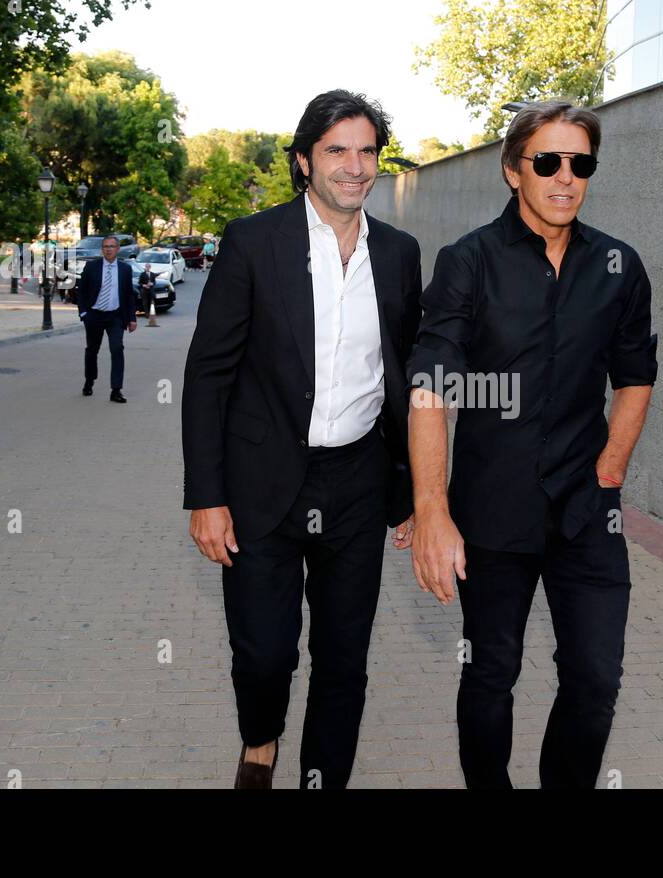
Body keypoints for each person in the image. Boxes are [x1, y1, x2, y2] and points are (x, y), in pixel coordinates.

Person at [407, 102, 658, 789]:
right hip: (492, 509)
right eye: (547, 161)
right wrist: (431, 509)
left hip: (587, 511)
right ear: (515, 171)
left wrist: (611, 466)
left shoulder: (618, 265)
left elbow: (636, 375)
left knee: (596, 678)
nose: (565, 178)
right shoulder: (468, 262)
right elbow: (431, 387)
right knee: (491, 672)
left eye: (580, 164)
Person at [182, 90, 421, 789]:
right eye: (337, 150)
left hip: (357, 481)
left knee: (345, 655)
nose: (356, 166)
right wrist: (207, 495)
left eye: (368, 150)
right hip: (261, 485)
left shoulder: (401, 254)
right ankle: (261, 742)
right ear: (303, 161)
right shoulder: (254, 242)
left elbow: (402, 379)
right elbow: (208, 376)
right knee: (263, 653)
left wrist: (408, 492)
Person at [76, 235, 135, 403]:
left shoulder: (125, 269)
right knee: (92, 350)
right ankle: (89, 380)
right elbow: (82, 291)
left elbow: (129, 295)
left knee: (117, 349)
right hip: (94, 316)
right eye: (105, 246)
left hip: (115, 316)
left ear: (117, 249)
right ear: (102, 249)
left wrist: (132, 319)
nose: (108, 249)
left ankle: (116, 390)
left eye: (111, 246)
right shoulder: (91, 267)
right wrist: (83, 313)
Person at [138, 262, 159, 327]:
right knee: (145, 302)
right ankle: (147, 314)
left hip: (151, 290)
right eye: (146, 267)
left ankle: (152, 314)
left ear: (150, 267)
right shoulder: (142, 274)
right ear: (145, 267)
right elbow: (139, 282)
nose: (147, 268)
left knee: (152, 302)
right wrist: (144, 285)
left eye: (148, 267)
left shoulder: (152, 274)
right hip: (144, 290)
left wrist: (152, 284)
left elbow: (154, 282)